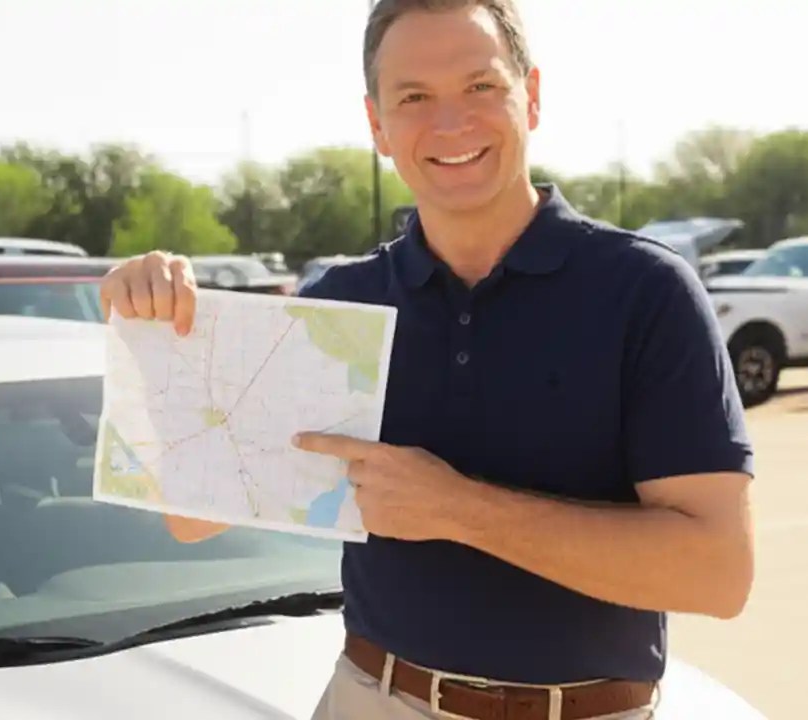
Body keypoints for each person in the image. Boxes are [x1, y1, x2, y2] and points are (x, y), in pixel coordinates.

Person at [98, 1, 755, 718]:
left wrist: (458, 509)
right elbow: (191, 519)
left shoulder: (646, 292)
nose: (450, 124)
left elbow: (718, 575)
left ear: (530, 97)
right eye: (414, 97)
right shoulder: (338, 308)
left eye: (480, 86)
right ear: (378, 124)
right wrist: (157, 326)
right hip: (374, 699)